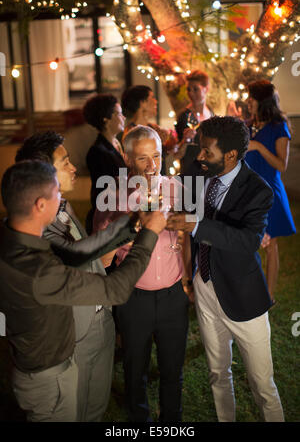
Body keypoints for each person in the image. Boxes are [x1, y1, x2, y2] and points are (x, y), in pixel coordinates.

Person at [0, 160, 166, 422]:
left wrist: (133, 223)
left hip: (28, 364)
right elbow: (115, 289)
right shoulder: (40, 272)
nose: (61, 198)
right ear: (41, 205)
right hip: (49, 378)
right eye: (57, 193)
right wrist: (149, 235)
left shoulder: (9, 241)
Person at [166, 116, 284, 422]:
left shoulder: (259, 191)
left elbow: (247, 241)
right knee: (218, 374)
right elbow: (173, 188)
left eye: (207, 151)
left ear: (230, 155)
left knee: (263, 386)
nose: (200, 156)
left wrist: (195, 224)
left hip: (243, 298)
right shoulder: (200, 172)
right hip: (204, 286)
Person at [15, 131, 138, 422]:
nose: (74, 168)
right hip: (71, 336)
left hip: (101, 322)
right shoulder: (33, 229)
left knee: (95, 408)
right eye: (65, 162)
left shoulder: (63, 206)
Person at [93, 126, 189, 422]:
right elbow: (100, 254)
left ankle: (171, 422)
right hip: (133, 298)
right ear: (127, 158)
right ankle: (139, 421)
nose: (152, 166)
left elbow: (189, 236)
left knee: (173, 369)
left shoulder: (176, 188)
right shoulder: (112, 197)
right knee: (136, 370)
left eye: (157, 156)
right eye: (143, 159)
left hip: (174, 295)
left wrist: (187, 282)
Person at [245, 80, 296, 302]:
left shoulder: (279, 127)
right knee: (246, 241)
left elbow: (281, 165)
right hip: (247, 191)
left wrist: (258, 147)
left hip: (269, 192)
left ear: (262, 101)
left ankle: (269, 295)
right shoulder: (247, 125)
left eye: (251, 98)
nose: (248, 102)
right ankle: (247, 289)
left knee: (270, 244)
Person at [83, 93, 127, 234]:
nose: (123, 117)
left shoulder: (116, 143)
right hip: (107, 220)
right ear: (106, 119)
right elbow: (104, 190)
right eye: (119, 114)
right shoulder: (97, 152)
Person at [121, 85, 177, 175]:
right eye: (152, 97)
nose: (156, 101)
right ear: (142, 102)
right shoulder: (131, 134)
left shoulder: (154, 128)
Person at [175, 70, 213, 175]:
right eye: (188, 89)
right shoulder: (184, 116)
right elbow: (177, 154)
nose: (191, 93)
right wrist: (185, 141)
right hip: (191, 173)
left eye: (196, 89)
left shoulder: (211, 112)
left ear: (206, 89)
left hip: (209, 172)